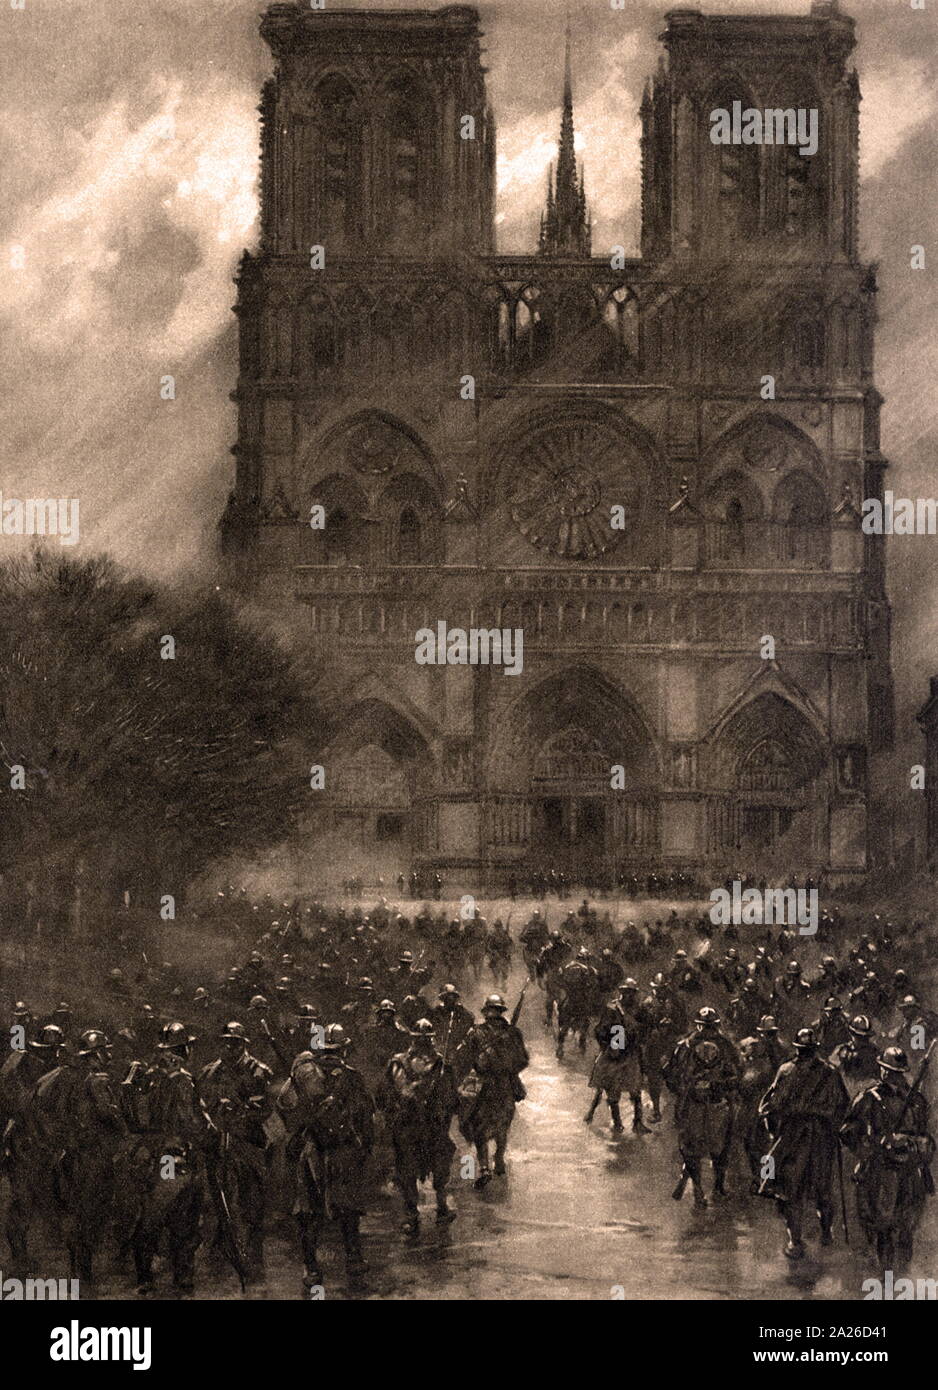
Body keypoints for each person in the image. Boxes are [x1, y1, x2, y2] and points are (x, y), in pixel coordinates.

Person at [277, 1024, 374, 1288]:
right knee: (348, 1208)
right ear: (344, 1049)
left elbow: (285, 1108)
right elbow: (366, 1116)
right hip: (343, 1149)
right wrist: (364, 1148)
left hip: (312, 1150)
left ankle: (311, 1268)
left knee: (309, 1211)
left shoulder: (302, 1074)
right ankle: (353, 1259)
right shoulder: (352, 1076)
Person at [130, 1021, 215, 1294]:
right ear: (183, 1049)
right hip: (173, 1157)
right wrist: (209, 1132)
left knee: (161, 1215)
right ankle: (177, 1277)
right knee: (179, 1217)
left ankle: (149, 1275)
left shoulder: (150, 1077)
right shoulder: (182, 1080)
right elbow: (192, 1122)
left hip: (155, 1155)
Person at [758, 1027, 850, 1259]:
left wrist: (774, 1130)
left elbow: (769, 1105)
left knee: (789, 1188)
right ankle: (826, 1232)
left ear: (798, 1049)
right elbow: (843, 1105)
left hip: (793, 1136)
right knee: (822, 1188)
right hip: (821, 1138)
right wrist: (832, 1127)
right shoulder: (830, 1072)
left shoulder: (787, 1070)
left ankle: (795, 1241)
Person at [840, 1046, 935, 1270]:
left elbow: (925, 1136)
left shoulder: (916, 1100)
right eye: (890, 1072)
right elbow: (848, 1131)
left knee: (907, 1224)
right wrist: (875, 1145)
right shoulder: (869, 1098)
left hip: (910, 1171)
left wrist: (913, 1143)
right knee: (883, 1224)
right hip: (882, 1170)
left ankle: (901, 1272)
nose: (890, 1075)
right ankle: (887, 1274)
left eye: (892, 1072)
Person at [199, 1021, 273, 1278]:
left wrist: (239, 1109)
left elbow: (266, 1109)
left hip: (248, 1143)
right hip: (218, 1142)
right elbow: (200, 1104)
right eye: (225, 1042)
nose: (229, 1047)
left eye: (234, 1043)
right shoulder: (209, 1072)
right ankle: (219, 1252)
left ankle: (253, 1255)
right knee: (217, 1199)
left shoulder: (258, 1071)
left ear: (243, 1044)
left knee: (252, 1200)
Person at [378, 1018, 459, 1234]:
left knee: (417, 1166)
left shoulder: (437, 1065)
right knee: (419, 1166)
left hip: (419, 1125)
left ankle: (423, 1211)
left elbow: (384, 1096)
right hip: (418, 1124)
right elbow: (452, 1100)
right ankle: (432, 1209)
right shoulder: (433, 1064)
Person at [664, 1007, 741, 1208]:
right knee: (694, 1148)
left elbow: (737, 1073)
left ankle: (715, 1185)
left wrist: (719, 1085)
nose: (707, 1030)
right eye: (705, 1026)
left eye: (709, 1027)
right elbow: (670, 1073)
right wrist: (686, 1089)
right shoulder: (685, 1046)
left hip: (715, 1104)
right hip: (696, 1104)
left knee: (717, 1148)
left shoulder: (724, 1046)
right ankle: (700, 1189)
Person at [456, 995, 528, 1188]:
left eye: (494, 1011)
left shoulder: (490, 1032)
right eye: (492, 1011)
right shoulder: (499, 1033)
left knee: (482, 1124)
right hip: (497, 1083)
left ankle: (488, 1164)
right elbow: (522, 1061)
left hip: (490, 1083)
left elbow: (463, 1058)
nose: (493, 1015)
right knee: (499, 1124)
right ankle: (493, 1162)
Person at [585, 980, 648, 1133]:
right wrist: (608, 1045)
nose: (629, 996)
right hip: (614, 1052)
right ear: (622, 992)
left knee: (635, 1088)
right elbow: (600, 1030)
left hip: (631, 1052)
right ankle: (617, 1122)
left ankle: (638, 1122)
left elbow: (646, 1027)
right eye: (626, 992)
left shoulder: (639, 1010)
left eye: (631, 993)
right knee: (612, 1088)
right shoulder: (612, 1008)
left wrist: (638, 1035)